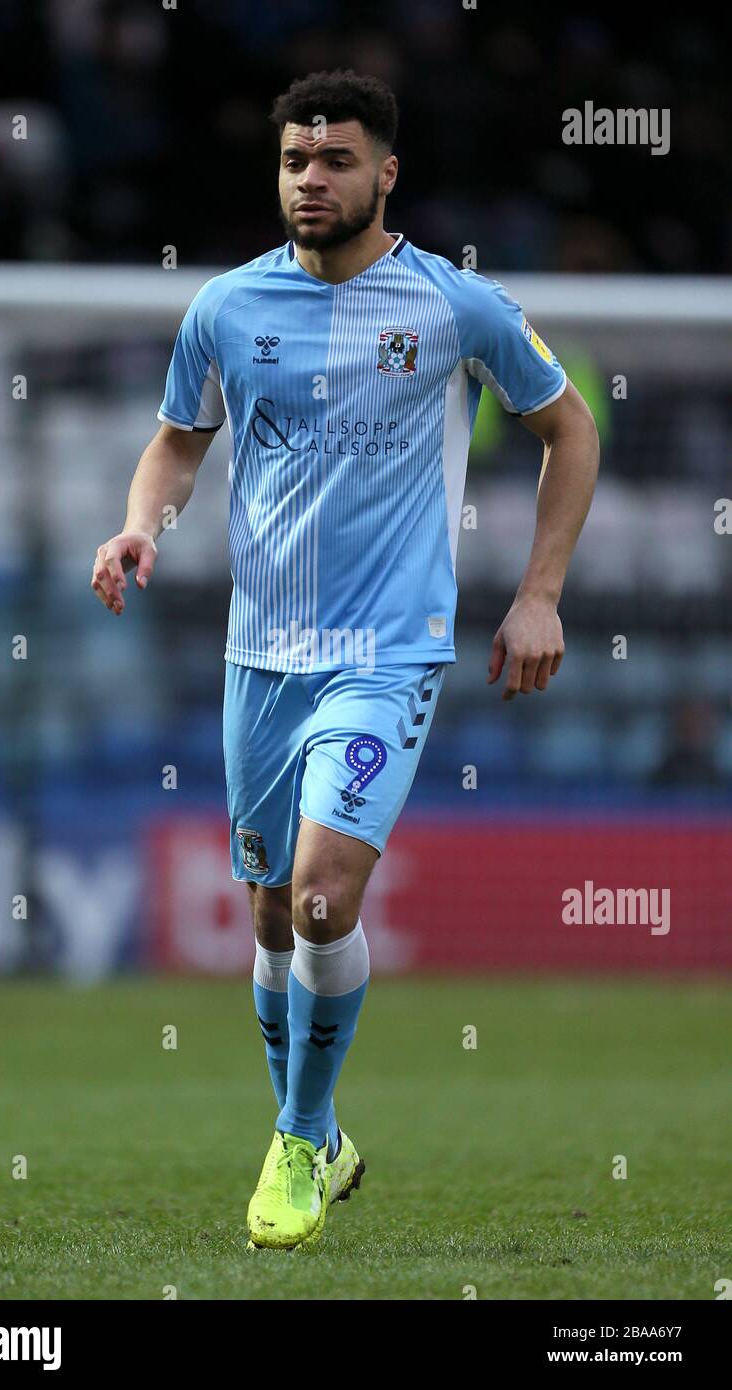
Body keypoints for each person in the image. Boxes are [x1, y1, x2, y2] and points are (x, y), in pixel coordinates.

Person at [91, 69, 599, 1252]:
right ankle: (317, 1130)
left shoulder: (458, 306)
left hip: (388, 654)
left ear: (386, 174)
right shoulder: (225, 308)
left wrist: (538, 594)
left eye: (334, 161)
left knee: (322, 895)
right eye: (293, 163)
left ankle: (297, 1139)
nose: (311, 181)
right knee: (270, 913)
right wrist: (138, 523)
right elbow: (176, 443)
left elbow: (567, 428)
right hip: (258, 658)